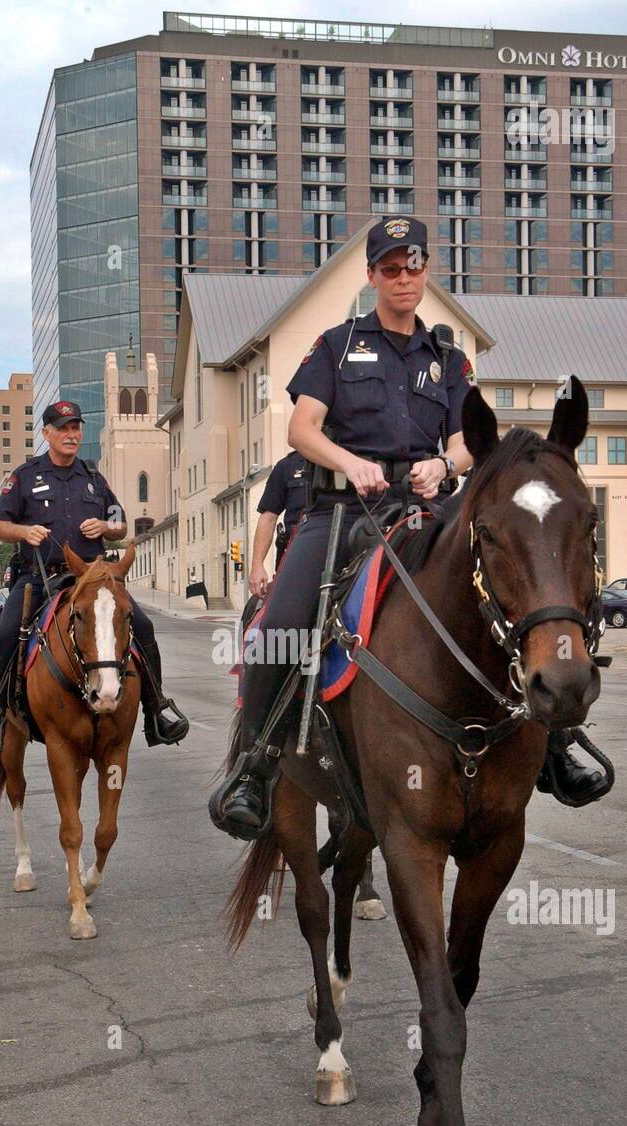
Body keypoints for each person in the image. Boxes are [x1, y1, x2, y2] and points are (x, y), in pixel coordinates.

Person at [211, 215, 606, 840]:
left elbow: (466, 441)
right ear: (372, 276)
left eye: (413, 265)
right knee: (280, 623)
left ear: (426, 272)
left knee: (504, 588)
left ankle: (554, 746)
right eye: (390, 267)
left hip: (424, 510)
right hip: (340, 512)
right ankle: (255, 766)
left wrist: (444, 464)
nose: (403, 277)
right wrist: (350, 463)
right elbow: (301, 429)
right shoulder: (336, 345)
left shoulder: (448, 358)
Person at [0, 399, 188, 758]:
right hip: (39, 577)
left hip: (92, 580)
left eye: (75, 428)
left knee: (142, 627)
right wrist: (24, 532)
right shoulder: (25, 476)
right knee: (7, 632)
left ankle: (156, 708)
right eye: (63, 428)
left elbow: (121, 524)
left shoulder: (94, 480)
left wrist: (104, 525)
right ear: (47, 433)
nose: (71, 434)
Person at [248, 449, 308, 599]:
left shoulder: (359, 459)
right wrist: (257, 565)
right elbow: (268, 518)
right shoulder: (287, 466)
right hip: (298, 557)